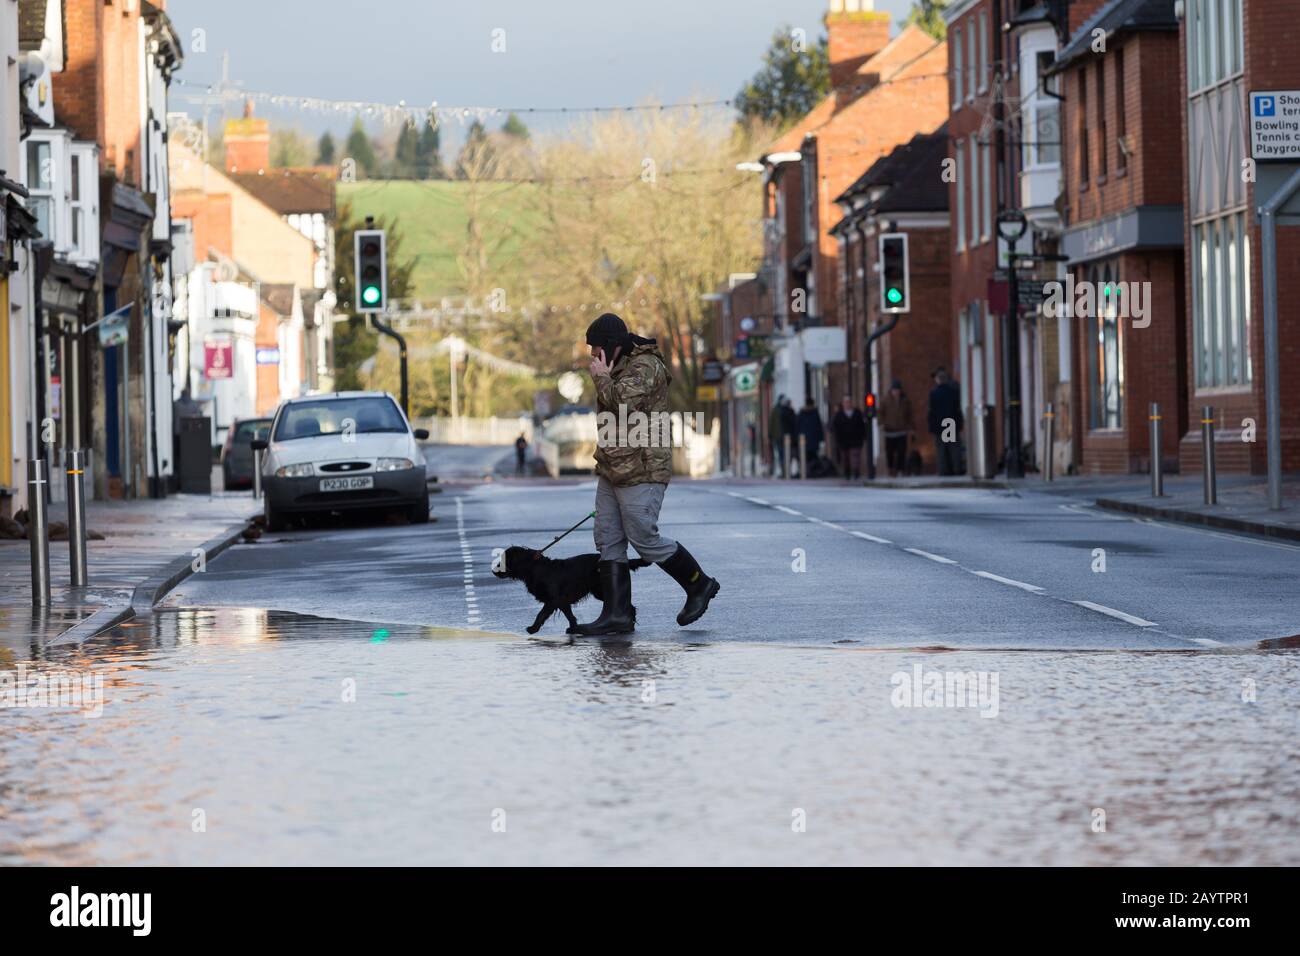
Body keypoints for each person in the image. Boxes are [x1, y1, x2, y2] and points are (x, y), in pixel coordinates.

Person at [572, 313, 720, 636]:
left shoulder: (645, 366)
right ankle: (617, 614)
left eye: (596, 350)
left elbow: (623, 403)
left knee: (643, 538)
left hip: (643, 468)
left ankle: (699, 584)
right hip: (613, 468)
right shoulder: (615, 367)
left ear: (612, 346)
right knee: (607, 536)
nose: (593, 358)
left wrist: (599, 378)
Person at [927, 367, 964, 476]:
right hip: (951, 422)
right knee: (954, 448)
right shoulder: (953, 392)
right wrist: (959, 423)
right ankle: (956, 469)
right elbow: (957, 409)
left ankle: (944, 470)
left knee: (941, 449)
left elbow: (931, 411)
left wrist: (931, 426)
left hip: (939, 425)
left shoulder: (934, 393)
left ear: (938, 380)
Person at [879, 380, 914, 478]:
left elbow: (910, 415)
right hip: (889, 430)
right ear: (891, 391)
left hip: (902, 430)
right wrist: (882, 423)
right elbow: (880, 413)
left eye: (897, 390)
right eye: (894, 390)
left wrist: (911, 428)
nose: (896, 392)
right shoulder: (885, 401)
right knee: (890, 452)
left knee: (901, 451)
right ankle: (890, 468)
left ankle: (900, 469)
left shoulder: (905, 401)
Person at [830, 395, 866, 480]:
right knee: (845, 457)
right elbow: (835, 427)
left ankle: (856, 471)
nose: (847, 404)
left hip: (856, 439)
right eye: (845, 402)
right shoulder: (839, 415)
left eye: (849, 402)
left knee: (855, 456)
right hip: (843, 440)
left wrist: (863, 436)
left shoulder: (857, 413)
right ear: (843, 404)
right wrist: (837, 438)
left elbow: (862, 425)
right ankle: (847, 473)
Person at [795, 399, 825, 475]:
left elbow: (797, 427)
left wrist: (797, 438)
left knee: (805, 457)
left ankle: (806, 472)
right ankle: (811, 472)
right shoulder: (815, 413)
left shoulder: (801, 413)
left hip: (803, 440)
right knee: (813, 457)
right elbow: (819, 427)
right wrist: (821, 438)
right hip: (813, 440)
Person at [769, 394, 787, 477]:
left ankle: (785, 472)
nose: (784, 401)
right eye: (783, 400)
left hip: (785, 437)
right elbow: (771, 424)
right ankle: (783, 471)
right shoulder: (776, 410)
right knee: (781, 454)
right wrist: (770, 435)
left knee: (784, 454)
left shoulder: (784, 409)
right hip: (778, 436)